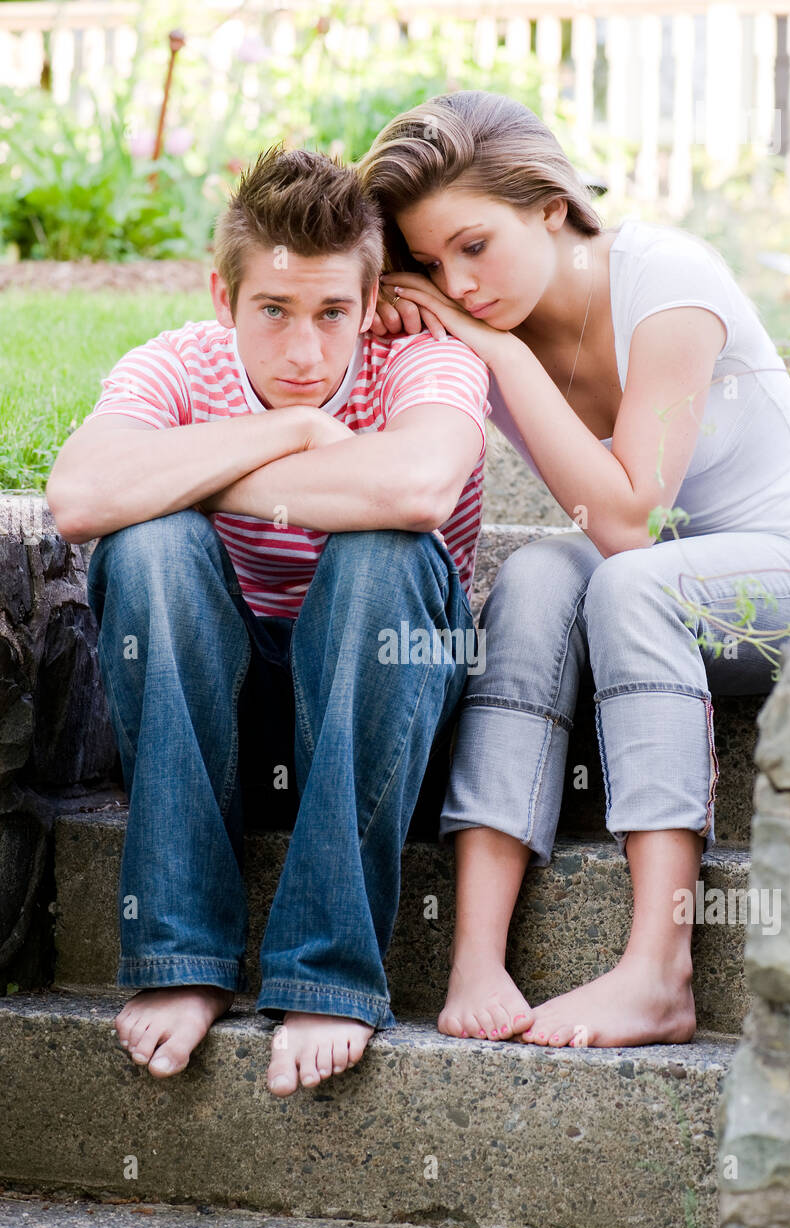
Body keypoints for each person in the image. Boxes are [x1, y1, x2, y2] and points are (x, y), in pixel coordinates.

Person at [356, 89, 790, 1049]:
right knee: (540, 576)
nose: (455, 286)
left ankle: (657, 971)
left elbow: (631, 523)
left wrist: (500, 357)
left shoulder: (665, 282)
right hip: (661, 595)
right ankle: (475, 952)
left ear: (551, 206)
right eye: (427, 263)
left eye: (473, 245)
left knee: (626, 576)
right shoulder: (478, 321)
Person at [46, 145, 491, 1092]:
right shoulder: (174, 363)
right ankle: (179, 956)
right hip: (225, 715)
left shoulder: (425, 364)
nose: (303, 352)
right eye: (274, 311)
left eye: (334, 313)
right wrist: (294, 431)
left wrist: (197, 473)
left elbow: (414, 487)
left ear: (371, 305)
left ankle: (327, 967)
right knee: (149, 546)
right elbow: (82, 497)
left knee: (383, 550)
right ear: (222, 295)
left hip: (384, 711)